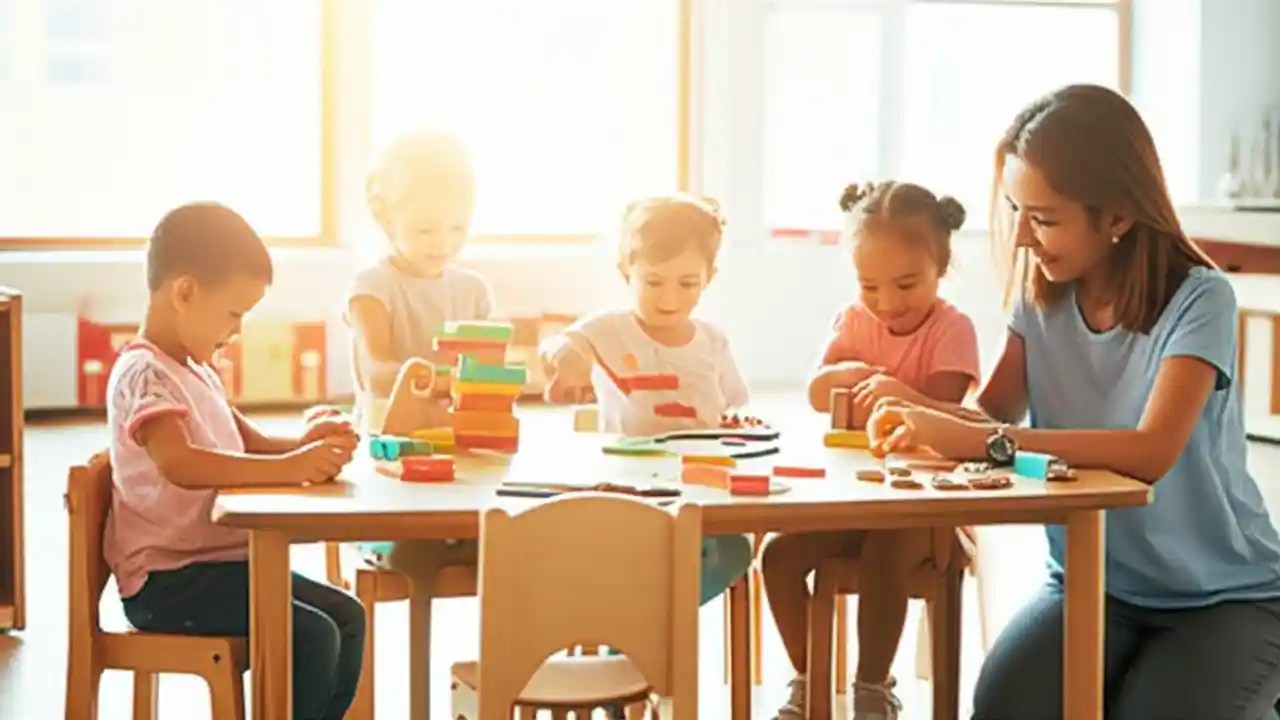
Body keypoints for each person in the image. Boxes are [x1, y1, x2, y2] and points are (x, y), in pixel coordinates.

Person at [871, 84, 1280, 719]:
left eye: (1044, 217)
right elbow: (992, 414)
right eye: (1017, 212)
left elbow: (1149, 453)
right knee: (1004, 706)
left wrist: (981, 441)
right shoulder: (1041, 296)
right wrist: (912, 404)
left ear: (1116, 216)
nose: (1026, 239)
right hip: (1096, 584)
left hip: (1223, 596)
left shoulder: (1200, 300)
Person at [106, 202, 365, 720]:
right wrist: (290, 470)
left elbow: (245, 442)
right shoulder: (144, 373)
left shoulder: (196, 371)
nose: (238, 329)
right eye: (233, 313)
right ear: (184, 293)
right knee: (312, 635)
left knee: (348, 616)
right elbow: (180, 462)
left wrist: (301, 445)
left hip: (220, 567)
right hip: (171, 582)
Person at [764, 181, 980, 720]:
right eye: (869, 286)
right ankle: (808, 678)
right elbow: (818, 393)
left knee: (888, 548)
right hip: (850, 499)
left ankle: (872, 688)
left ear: (941, 266)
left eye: (907, 284)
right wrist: (847, 373)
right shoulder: (854, 321)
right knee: (778, 557)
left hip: (924, 510)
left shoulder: (953, 329)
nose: (887, 303)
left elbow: (946, 414)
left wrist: (899, 394)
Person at [539, 193, 754, 606]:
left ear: (709, 276)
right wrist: (568, 363)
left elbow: (736, 408)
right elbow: (558, 344)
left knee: (733, 548)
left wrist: (740, 423)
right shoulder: (609, 330)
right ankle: (637, 632)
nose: (669, 298)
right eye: (653, 281)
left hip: (700, 495)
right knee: (610, 555)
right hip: (626, 496)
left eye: (687, 283)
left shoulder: (712, 341)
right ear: (626, 271)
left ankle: (660, 627)